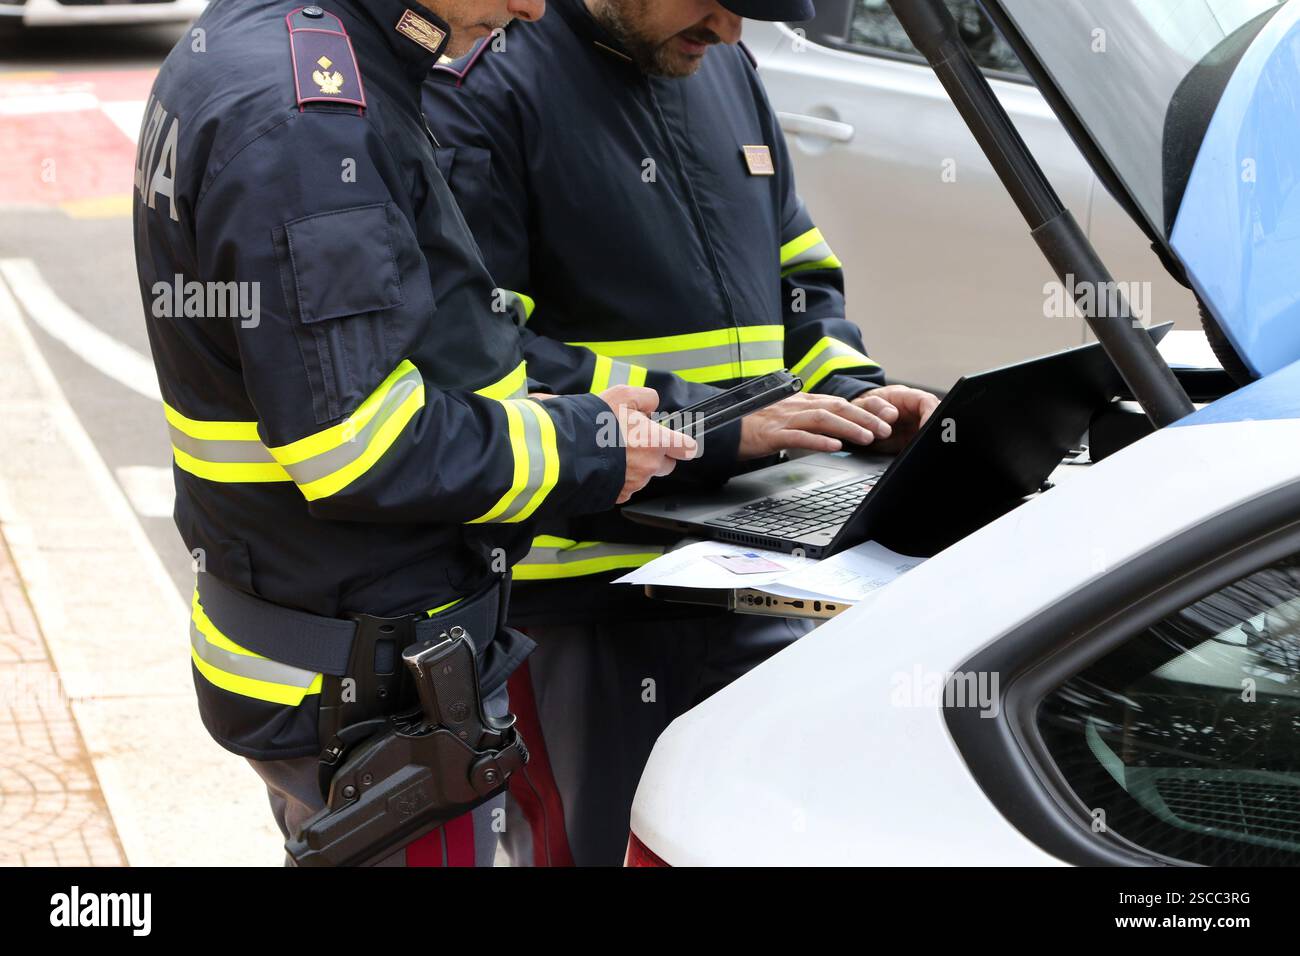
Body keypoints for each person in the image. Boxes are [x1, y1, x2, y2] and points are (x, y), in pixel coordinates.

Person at [132, 0, 695, 866]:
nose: (531, 7)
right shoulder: (313, 122)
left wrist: (564, 420)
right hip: (374, 700)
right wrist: (586, 445)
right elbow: (357, 446)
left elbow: (399, 359)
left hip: (315, 657)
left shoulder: (269, 38)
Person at [423, 0, 940, 865]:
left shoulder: (722, 62)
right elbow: (479, 353)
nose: (733, 30)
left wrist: (859, 398)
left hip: (757, 571)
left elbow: (799, 275)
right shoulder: (487, 85)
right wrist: (705, 424)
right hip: (591, 592)